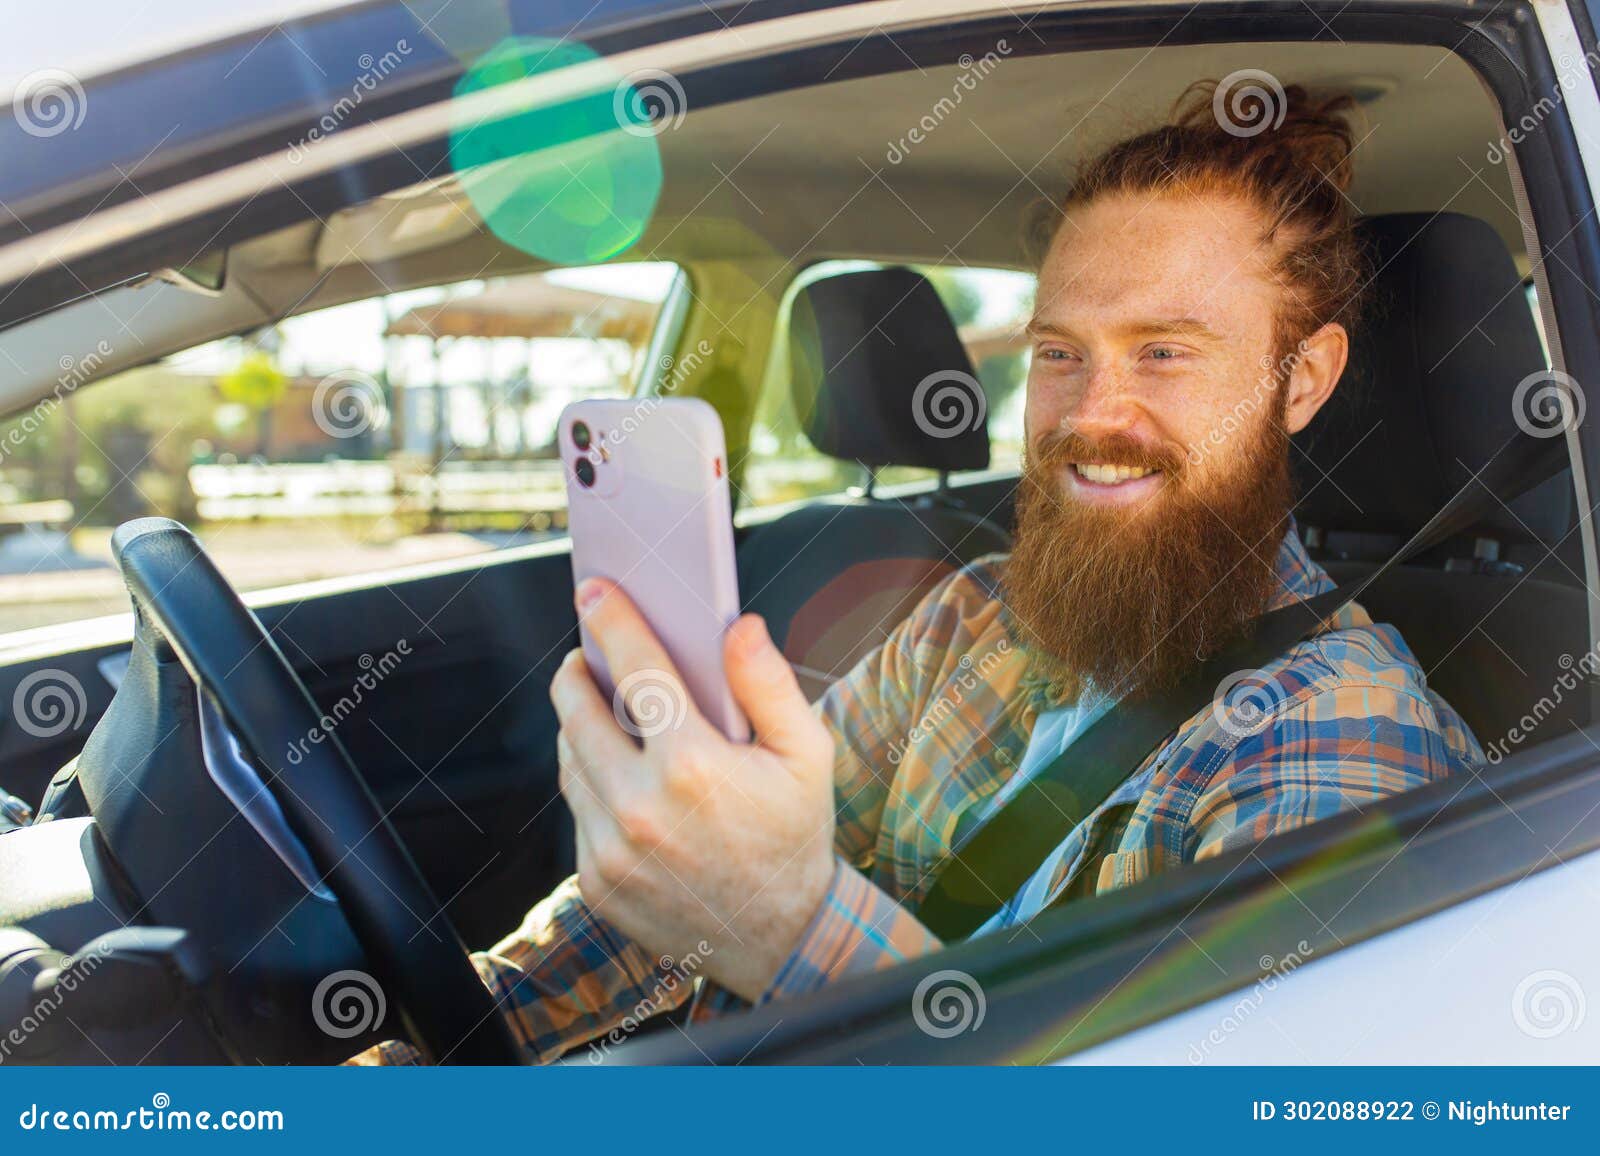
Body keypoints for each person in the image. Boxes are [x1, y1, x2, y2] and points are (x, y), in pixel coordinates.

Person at [353, 79, 1483, 1064]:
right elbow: (704, 871)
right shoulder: (972, 616)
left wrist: (796, 930)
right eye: (1059, 352)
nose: (1092, 414)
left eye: (1164, 352)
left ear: (1301, 379)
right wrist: (432, 1048)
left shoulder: (1343, 732)